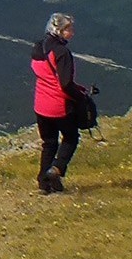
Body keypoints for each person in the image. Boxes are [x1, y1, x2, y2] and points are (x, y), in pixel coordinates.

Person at [31, 12, 94, 193]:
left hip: (40, 104)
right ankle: (57, 169)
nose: (72, 33)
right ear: (59, 30)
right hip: (59, 105)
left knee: (49, 142)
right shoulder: (62, 52)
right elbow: (65, 84)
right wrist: (81, 97)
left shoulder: (38, 47)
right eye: (68, 29)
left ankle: (44, 184)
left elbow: (46, 75)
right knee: (71, 138)